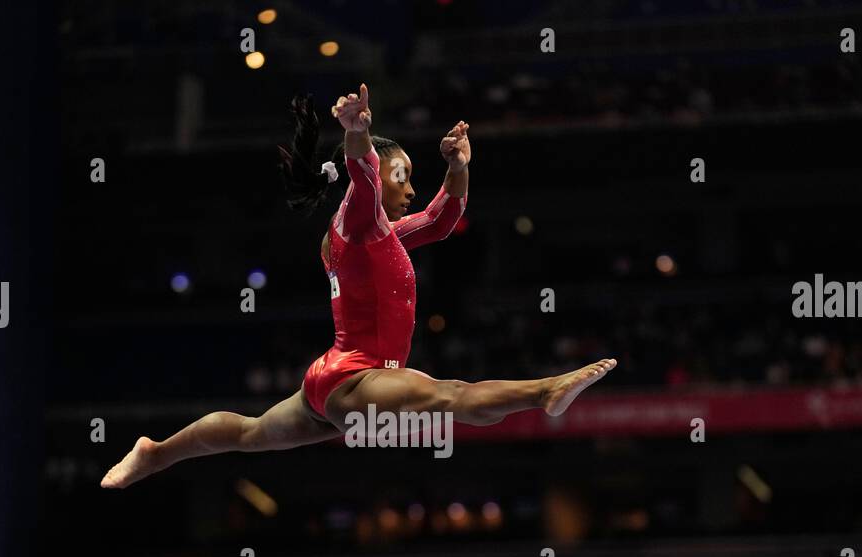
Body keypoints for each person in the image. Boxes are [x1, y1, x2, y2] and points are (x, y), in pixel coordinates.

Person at [102, 83, 615, 489]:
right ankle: (545, 391)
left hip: (335, 380)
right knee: (449, 396)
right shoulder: (357, 218)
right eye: (404, 177)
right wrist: (357, 134)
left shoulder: (379, 235)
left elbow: (440, 220)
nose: (411, 190)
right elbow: (365, 176)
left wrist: (459, 168)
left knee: (251, 432)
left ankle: (156, 452)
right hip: (358, 377)